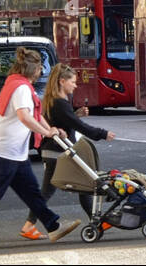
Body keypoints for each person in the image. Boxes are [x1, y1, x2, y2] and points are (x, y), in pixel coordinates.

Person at [0, 48, 81, 251]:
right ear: (33, 68)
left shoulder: (16, 83)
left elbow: (35, 115)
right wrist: (47, 133)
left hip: (13, 152)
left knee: (32, 193)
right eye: (39, 68)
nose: (41, 72)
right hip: (3, 151)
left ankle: (53, 226)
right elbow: (25, 117)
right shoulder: (21, 88)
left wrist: (51, 130)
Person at [19, 64, 115, 240]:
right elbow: (79, 127)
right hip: (59, 153)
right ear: (62, 81)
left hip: (54, 151)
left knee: (78, 185)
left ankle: (29, 225)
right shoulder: (60, 103)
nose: (75, 85)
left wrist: (76, 114)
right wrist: (102, 134)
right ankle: (97, 221)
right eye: (72, 81)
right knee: (85, 183)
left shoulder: (54, 101)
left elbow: (64, 122)